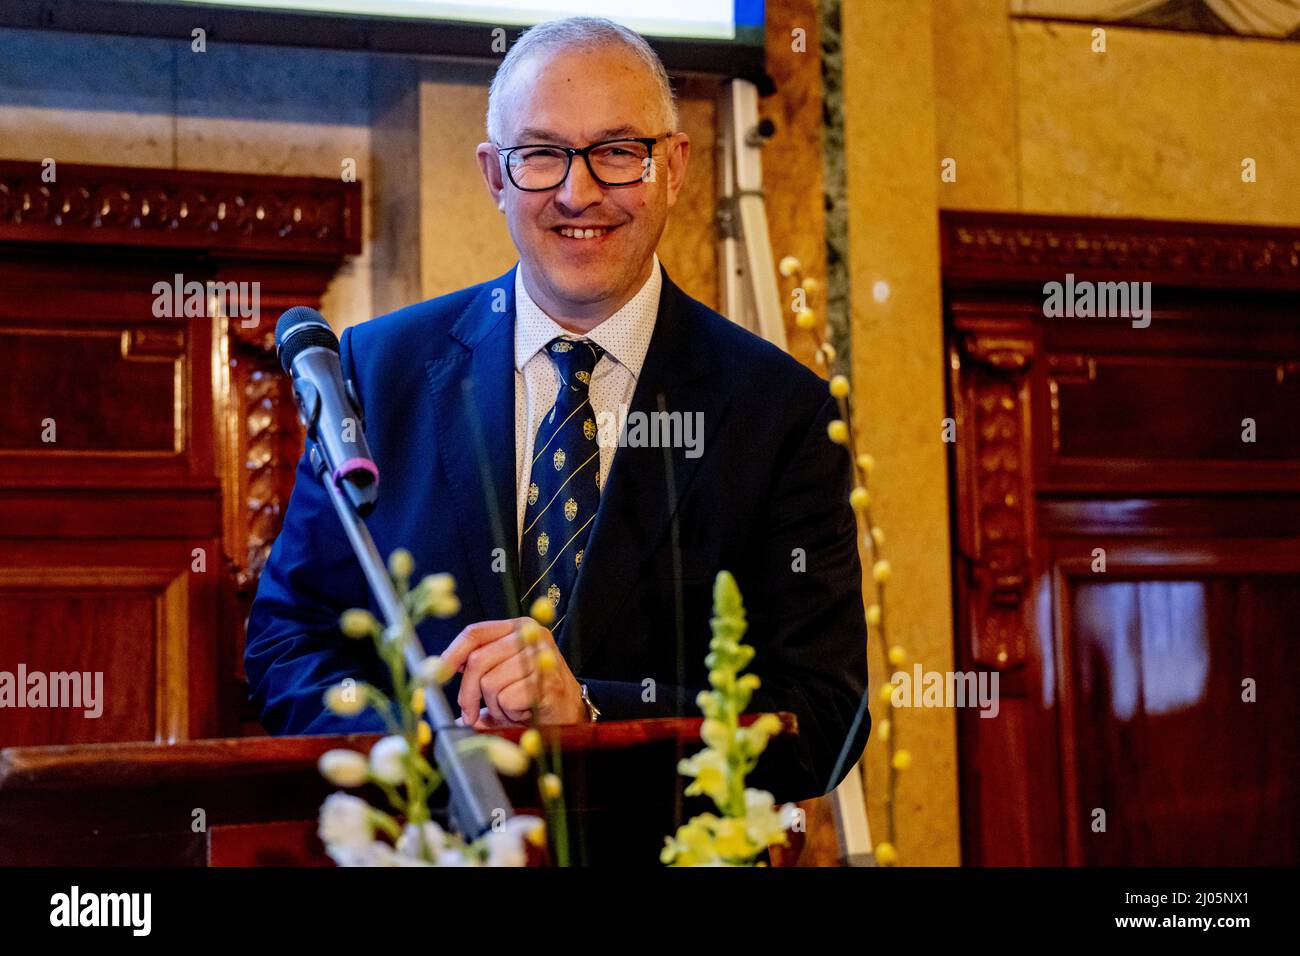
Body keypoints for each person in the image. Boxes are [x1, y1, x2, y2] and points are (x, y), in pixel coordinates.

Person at [245, 16, 869, 800]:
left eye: (617, 152)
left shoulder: (781, 414)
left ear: (673, 167)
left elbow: (826, 712)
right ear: (495, 175)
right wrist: (421, 755)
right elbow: (287, 640)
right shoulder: (378, 370)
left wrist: (595, 713)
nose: (579, 192)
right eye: (541, 155)